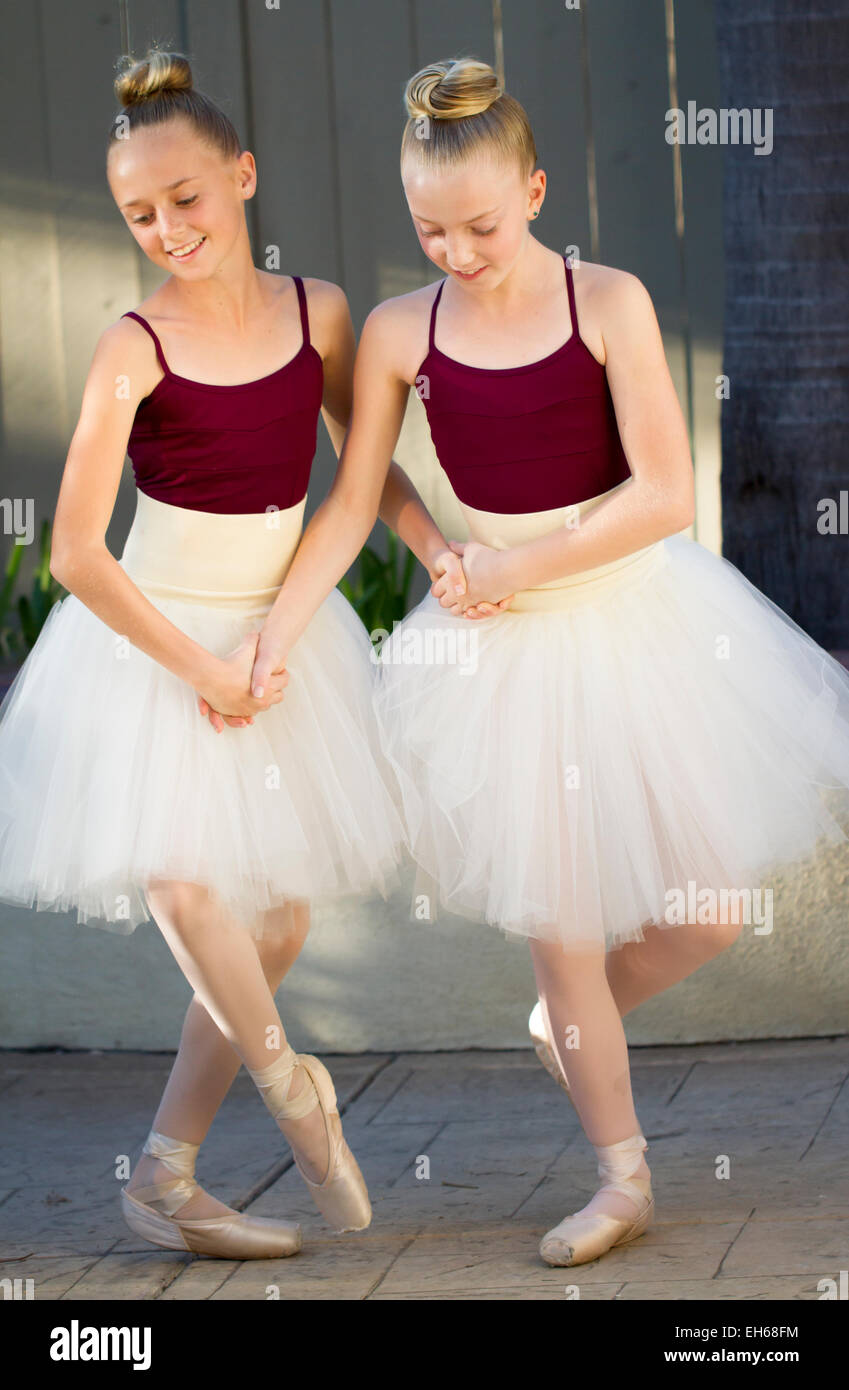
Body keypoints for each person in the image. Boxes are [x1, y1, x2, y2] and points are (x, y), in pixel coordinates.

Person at [246, 56, 849, 1269]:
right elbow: (362, 490)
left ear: (532, 189)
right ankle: (621, 1171)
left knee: (714, 911)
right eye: (428, 229)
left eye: (478, 224)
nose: (456, 252)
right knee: (562, 922)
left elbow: (667, 492)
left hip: (634, 615)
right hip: (496, 656)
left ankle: (574, 1025)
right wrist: (304, 622)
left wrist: (530, 565)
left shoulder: (607, 300)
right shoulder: (402, 330)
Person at [0, 47, 432, 1259]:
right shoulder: (133, 343)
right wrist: (200, 670)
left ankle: (165, 1176)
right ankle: (296, 1091)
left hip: (279, 634)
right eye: (139, 212)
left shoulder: (322, 312)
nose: (166, 227)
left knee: (278, 921)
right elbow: (79, 554)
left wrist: (435, 546)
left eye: (186, 197)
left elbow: (365, 471)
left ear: (242, 176)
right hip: (155, 644)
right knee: (184, 881)